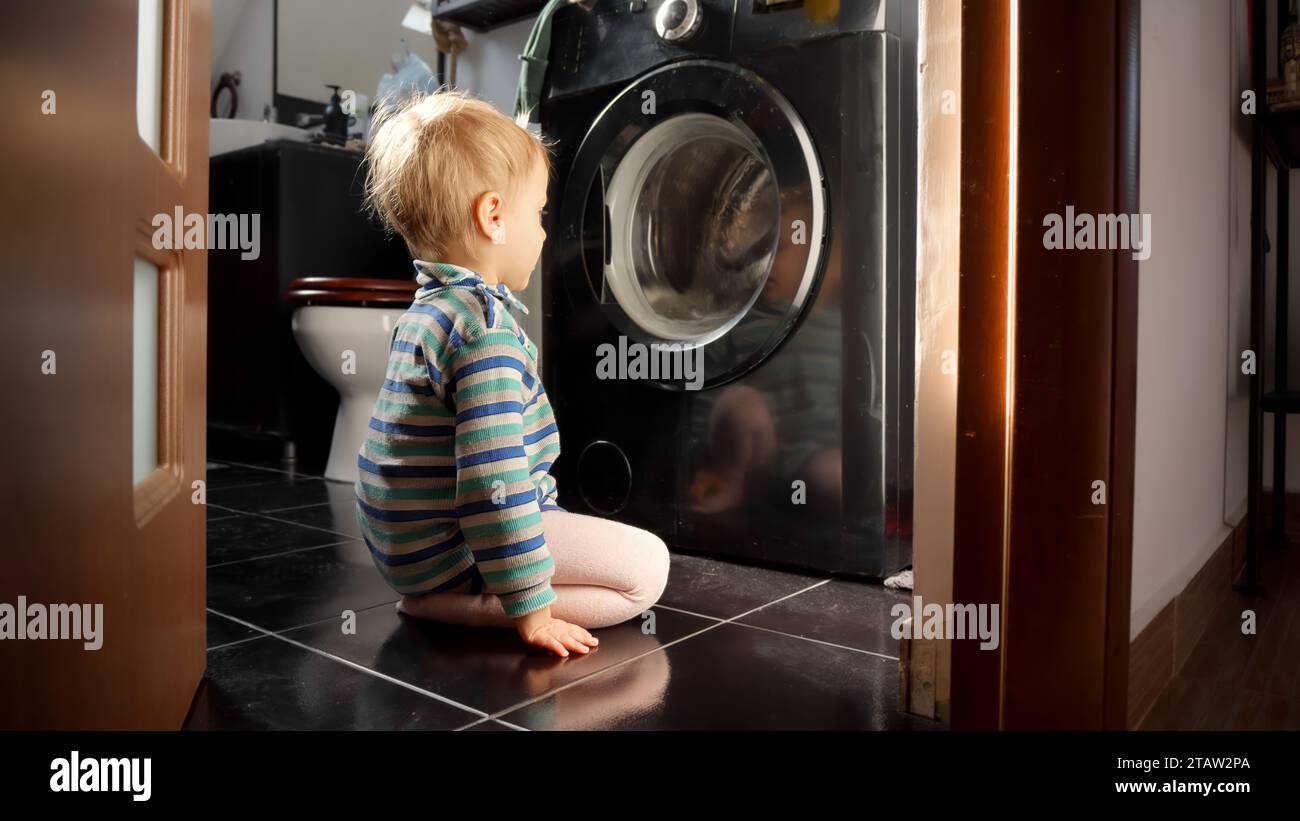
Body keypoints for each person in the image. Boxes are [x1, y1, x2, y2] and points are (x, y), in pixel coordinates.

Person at [355, 88, 670, 658]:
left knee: (571, 539)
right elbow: (490, 482)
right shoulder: (484, 332)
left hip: (405, 549)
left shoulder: (428, 312)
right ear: (494, 216)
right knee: (646, 571)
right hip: (455, 550)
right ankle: (469, 608)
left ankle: (445, 592)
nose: (545, 232)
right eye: (538, 212)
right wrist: (531, 605)